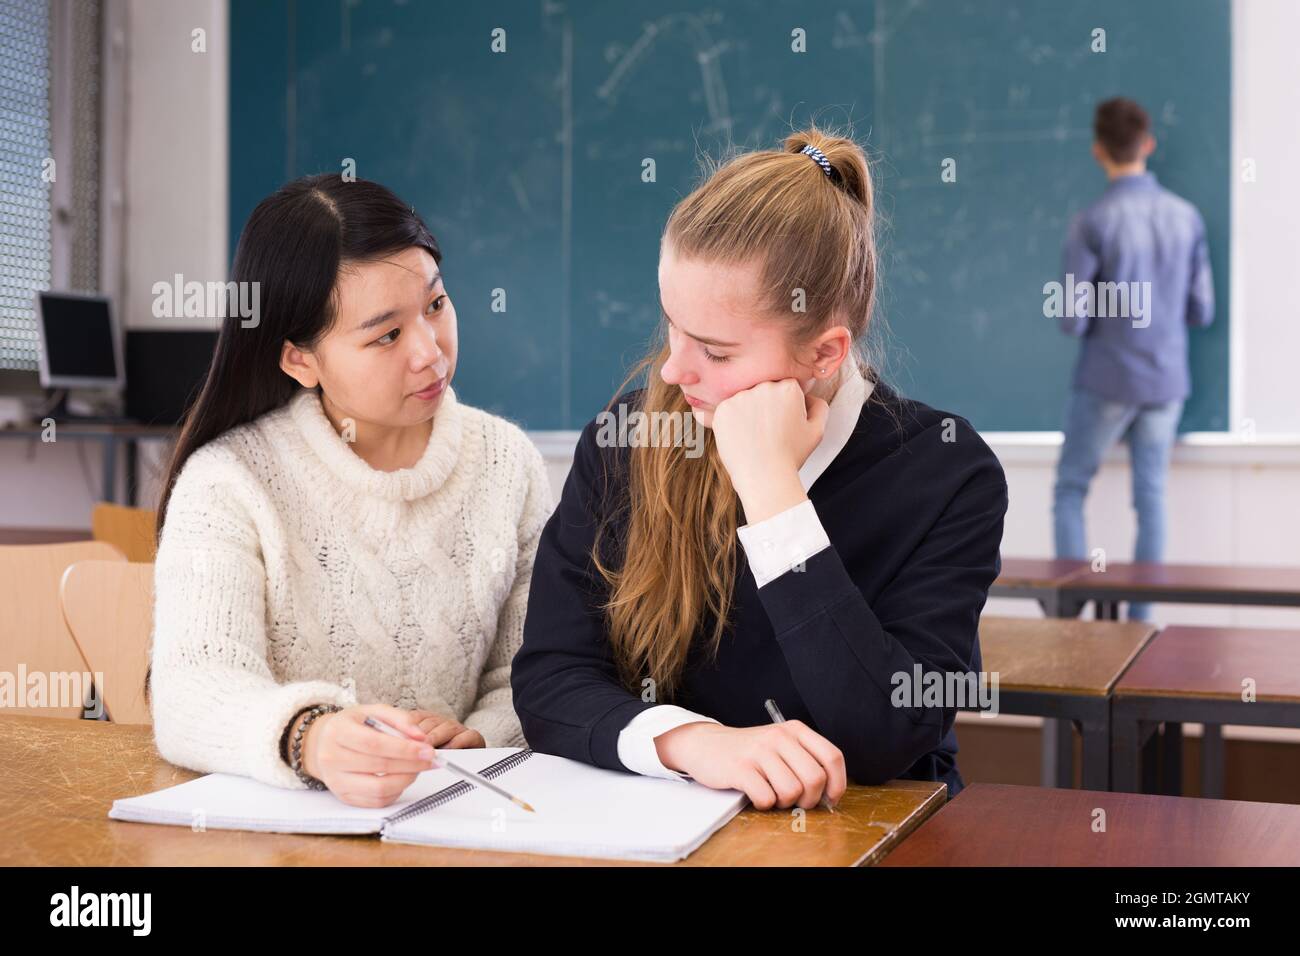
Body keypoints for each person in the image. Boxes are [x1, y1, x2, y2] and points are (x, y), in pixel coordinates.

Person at [512, 127, 1009, 808]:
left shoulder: (948, 473)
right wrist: (695, 743)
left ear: (825, 353)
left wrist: (773, 493)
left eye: (715, 352)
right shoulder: (630, 439)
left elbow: (884, 737)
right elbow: (550, 679)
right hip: (669, 826)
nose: (673, 369)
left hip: (873, 832)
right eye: (672, 326)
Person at [148, 174, 552, 807]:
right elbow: (192, 690)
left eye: (436, 306)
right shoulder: (229, 481)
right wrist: (311, 737)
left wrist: (481, 736)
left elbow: (533, 671)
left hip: (457, 819)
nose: (429, 352)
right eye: (386, 335)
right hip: (283, 838)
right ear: (299, 360)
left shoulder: (508, 464)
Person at [1053, 97, 1215, 620]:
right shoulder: (1186, 217)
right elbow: (1202, 309)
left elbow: (1073, 318)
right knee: (1151, 496)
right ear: (1147, 144)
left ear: (1099, 150)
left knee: (1072, 488)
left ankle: (1071, 617)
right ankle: (1141, 625)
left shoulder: (1092, 221)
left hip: (1107, 379)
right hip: (1166, 381)